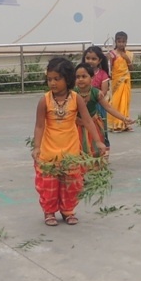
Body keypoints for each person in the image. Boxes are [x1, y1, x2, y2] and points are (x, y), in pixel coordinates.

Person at [32, 56, 106, 226]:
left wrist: (98, 142)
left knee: (71, 184)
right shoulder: (44, 100)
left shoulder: (76, 98)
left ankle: (68, 211)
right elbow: (39, 126)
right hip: (49, 150)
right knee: (49, 184)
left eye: (57, 79)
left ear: (67, 79)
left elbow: (88, 121)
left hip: (70, 150)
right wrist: (36, 147)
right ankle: (49, 211)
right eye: (49, 79)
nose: (52, 83)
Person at [74, 62, 132, 156]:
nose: (80, 79)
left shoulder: (96, 93)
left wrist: (124, 118)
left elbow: (108, 107)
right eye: (77, 77)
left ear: (92, 78)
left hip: (93, 125)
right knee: (77, 149)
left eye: (84, 76)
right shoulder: (72, 93)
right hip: (76, 125)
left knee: (94, 149)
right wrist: (76, 119)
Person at [83, 45, 112, 146]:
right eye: (88, 58)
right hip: (83, 105)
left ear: (99, 60)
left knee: (100, 126)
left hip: (98, 105)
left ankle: (103, 144)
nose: (90, 61)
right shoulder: (80, 73)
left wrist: (92, 95)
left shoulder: (103, 74)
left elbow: (103, 91)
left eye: (93, 59)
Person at [106, 31, 134, 132]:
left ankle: (124, 123)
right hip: (116, 81)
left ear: (126, 42)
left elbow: (131, 69)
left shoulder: (128, 54)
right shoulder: (112, 54)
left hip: (126, 81)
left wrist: (127, 59)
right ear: (116, 42)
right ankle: (115, 123)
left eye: (123, 42)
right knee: (115, 102)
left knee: (125, 102)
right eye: (119, 41)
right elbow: (108, 68)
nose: (121, 44)